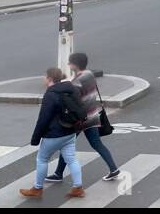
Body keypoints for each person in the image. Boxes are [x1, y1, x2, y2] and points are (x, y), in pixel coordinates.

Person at [46, 53, 121, 183]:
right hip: (93, 114)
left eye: (70, 62)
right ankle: (113, 169)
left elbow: (73, 98)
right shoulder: (89, 74)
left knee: (67, 144)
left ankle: (58, 174)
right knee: (96, 144)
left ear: (75, 64)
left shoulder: (78, 81)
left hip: (81, 118)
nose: (68, 64)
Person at [19, 68, 85, 199]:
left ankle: (37, 188)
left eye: (45, 77)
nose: (44, 79)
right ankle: (78, 187)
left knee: (42, 159)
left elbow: (44, 118)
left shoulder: (51, 94)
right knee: (71, 159)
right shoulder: (72, 89)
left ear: (49, 79)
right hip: (71, 131)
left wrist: (35, 138)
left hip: (55, 134)